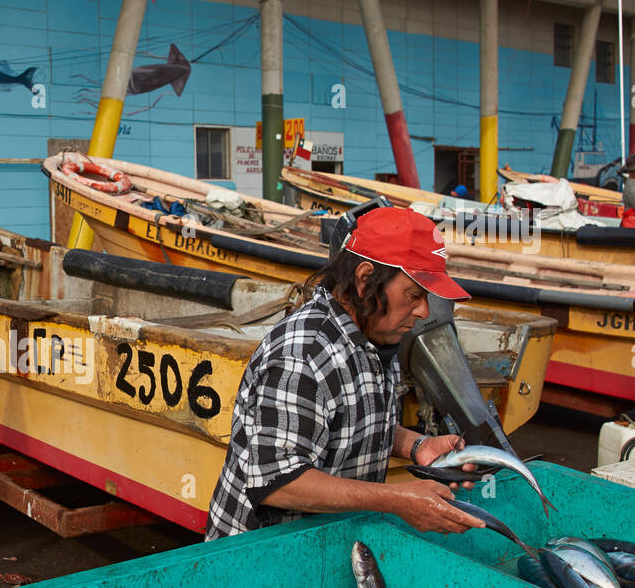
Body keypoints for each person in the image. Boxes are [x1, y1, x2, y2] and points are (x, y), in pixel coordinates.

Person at [206, 206, 484, 540]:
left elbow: (347, 423)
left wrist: (417, 446)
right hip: (258, 555)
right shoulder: (303, 353)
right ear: (365, 280)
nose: (424, 310)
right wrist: (397, 500)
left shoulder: (375, 336)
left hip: (325, 541)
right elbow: (277, 482)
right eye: (413, 294)